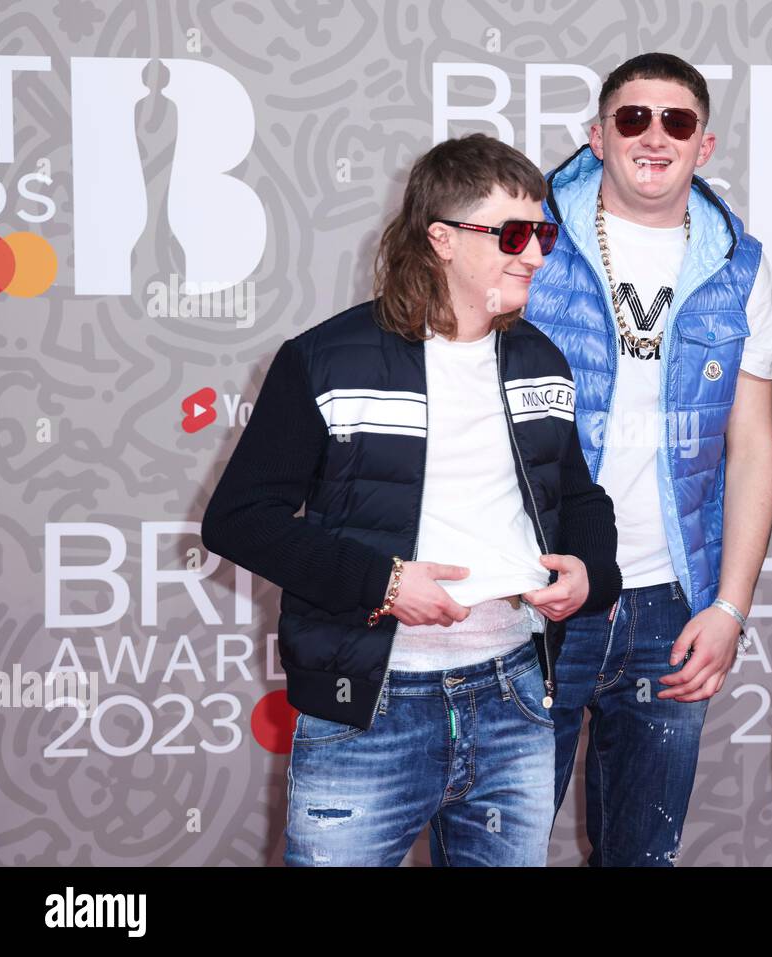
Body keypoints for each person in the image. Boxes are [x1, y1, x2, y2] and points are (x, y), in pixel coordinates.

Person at [200, 133, 621, 867]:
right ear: (442, 240)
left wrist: (591, 571)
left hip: (515, 700)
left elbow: (580, 495)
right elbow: (239, 520)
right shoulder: (324, 359)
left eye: (543, 233)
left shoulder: (541, 358)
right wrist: (387, 583)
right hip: (370, 707)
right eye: (515, 235)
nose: (535, 254)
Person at [525, 52, 772, 866]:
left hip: (670, 605)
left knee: (641, 856)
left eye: (678, 121)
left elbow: (752, 446)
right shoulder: (529, 239)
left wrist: (730, 606)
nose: (655, 136)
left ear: (704, 146)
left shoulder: (741, 266)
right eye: (634, 118)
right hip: (536, 591)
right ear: (598, 137)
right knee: (503, 848)